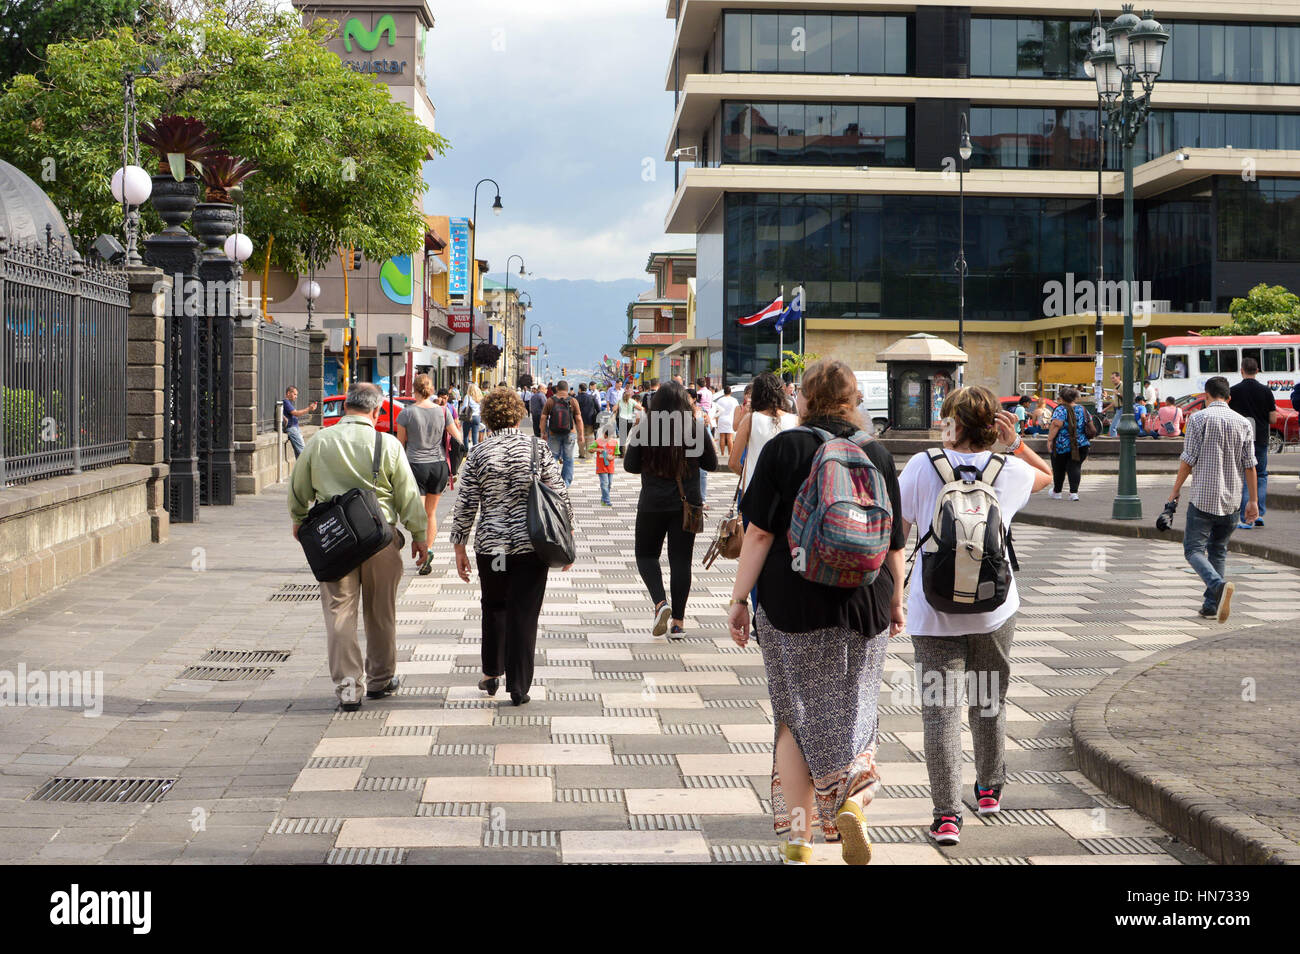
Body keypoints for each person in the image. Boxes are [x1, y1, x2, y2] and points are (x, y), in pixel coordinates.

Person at [726, 359, 906, 865]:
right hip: (864, 600)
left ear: (803, 398)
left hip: (791, 601)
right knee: (860, 713)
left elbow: (758, 533)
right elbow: (894, 540)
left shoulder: (784, 447)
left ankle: (800, 842)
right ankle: (852, 801)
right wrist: (896, 599)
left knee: (794, 719)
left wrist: (740, 601)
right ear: (853, 401)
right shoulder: (877, 453)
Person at [896, 385, 1053, 846]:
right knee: (990, 698)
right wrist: (1017, 442)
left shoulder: (923, 466)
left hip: (932, 608)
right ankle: (988, 789)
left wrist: (891, 596)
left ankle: (946, 816)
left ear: (954, 424)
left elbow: (897, 534)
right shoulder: (1011, 469)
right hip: (995, 607)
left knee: (939, 711)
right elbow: (1048, 474)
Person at [289, 382, 429, 711]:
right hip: (380, 538)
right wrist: (419, 535)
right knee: (381, 613)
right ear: (376, 410)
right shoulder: (387, 443)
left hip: (334, 539)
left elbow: (298, 487)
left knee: (339, 613)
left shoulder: (320, 440)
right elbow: (407, 494)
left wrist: (298, 519)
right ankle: (381, 679)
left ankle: (349, 689)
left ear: (347, 406)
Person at [450, 387, 574, 706]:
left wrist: (459, 545)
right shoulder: (537, 448)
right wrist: (567, 536)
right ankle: (518, 686)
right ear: (519, 414)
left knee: (494, 605)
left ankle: (492, 672)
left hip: (494, 549)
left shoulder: (478, 452)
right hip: (531, 546)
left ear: (487, 417)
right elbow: (558, 493)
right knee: (524, 612)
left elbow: (465, 503)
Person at [624, 381, 718, 639]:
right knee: (680, 561)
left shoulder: (646, 428)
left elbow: (630, 466)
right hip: (686, 504)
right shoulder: (695, 429)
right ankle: (677, 623)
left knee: (646, 555)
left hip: (652, 503)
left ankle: (659, 603)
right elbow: (711, 464)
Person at [1168, 376, 1258, 621]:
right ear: (1228, 398)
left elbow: (1188, 460)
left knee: (1193, 550)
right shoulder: (1243, 423)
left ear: (1206, 397)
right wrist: (1253, 501)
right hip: (1231, 500)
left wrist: (1175, 490)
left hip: (1203, 499)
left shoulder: (1198, 419)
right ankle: (1210, 605)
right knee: (1218, 550)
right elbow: (1250, 466)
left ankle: (1218, 586)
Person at [395, 374, 461, 575]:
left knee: (419, 514)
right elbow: (458, 439)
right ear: (431, 390)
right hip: (439, 466)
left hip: (416, 466)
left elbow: (400, 444)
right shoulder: (443, 411)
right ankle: (428, 551)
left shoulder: (407, 413)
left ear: (414, 389)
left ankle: (422, 553)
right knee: (431, 513)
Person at [1229, 357, 1278, 529]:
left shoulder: (1233, 391)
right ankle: (1259, 513)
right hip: (1261, 439)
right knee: (1261, 474)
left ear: (1241, 370)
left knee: (1243, 475)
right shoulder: (1266, 391)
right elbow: (1273, 418)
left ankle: (1244, 514)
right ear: (1257, 371)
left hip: (1240, 439)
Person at [729, 372, 797, 492]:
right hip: (786, 492)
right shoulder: (795, 421)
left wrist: (750, 474)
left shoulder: (750, 420)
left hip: (754, 491)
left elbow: (733, 463)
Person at [1046, 386, 1091, 500]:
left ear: (1062, 398)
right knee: (1075, 467)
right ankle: (1073, 493)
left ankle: (1057, 492)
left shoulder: (1061, 409)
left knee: (1058, 468)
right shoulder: (1082, 409)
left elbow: (1056, 424)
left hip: (1063, 444)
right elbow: (1089, 421)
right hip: (1081, 444)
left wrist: (1050, 440)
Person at [541, 380, 583, 486]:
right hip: (570, 433)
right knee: (568, 458)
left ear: (557, 389)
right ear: (567, 389)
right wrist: (581, 434)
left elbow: (543, 417)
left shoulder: (550, 400)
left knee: (553, 457)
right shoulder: (573, 401)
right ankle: (566, 483)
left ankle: (553, 481)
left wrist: (543, 433)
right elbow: (578, 418)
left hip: (553, 433)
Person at [282, 385, 317, 458]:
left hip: (295, 428)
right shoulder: (286, 402)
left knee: (299, 453)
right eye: (294, 394)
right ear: (288, 393)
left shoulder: (289, 403)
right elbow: (296, 413)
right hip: (292, 429)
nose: (296, 396)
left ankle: (300, 468)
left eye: (296, 395)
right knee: (302, 451)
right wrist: (309, 409)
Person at [594, 423, 619, 506]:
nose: (608, 438)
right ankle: (607, 501)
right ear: (604, 434)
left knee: (609, 484)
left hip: (610, 467)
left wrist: (613, 457)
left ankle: (603, 499)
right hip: (601, 467)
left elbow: (617, 452)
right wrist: (598, 449)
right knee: (604, 483)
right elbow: (590, 449)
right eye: (606, 436)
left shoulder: (615, 442)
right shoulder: (598, 441)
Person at [712, 386, 740, 457]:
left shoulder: (720, 400)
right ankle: (730, 454)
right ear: (731, 392)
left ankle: (722, 453)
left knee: (722, 437)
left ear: (724, 392)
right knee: (729, 437)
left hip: (722, 419)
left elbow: (717, 410)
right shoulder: (734, 400)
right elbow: (737, 410)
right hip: (730, 419)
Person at [576, 383, 599, 459]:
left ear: (579, 389)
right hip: (590, 421)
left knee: (580, 437)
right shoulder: (592, 397)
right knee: (589, 437)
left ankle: (582, 453)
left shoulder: (576, 398)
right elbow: (598, 409)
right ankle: (589, 454)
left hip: (579, 421)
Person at [460, 383, 483, 451]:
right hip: (477, 417)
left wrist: (461, 409)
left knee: (466, 435)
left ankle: (466, 450)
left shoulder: (468, 397)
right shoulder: (479, 397)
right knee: (475, 436)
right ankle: (475, 451)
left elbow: (464, 407)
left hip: (469, 417)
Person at [1103, 371, 1123, 436]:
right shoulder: (1115, 387)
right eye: (1111, 378)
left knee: (1113, 427)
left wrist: (1118, 394)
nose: (1112, 380)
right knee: (1117, 427)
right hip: (1118, 409)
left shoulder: (1122, 386)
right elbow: (1115, 401)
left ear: (1118, 377)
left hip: (1122, 409)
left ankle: (1113, 443)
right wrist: (1106, 397)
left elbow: (1128, 397)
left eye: (1113, 378)